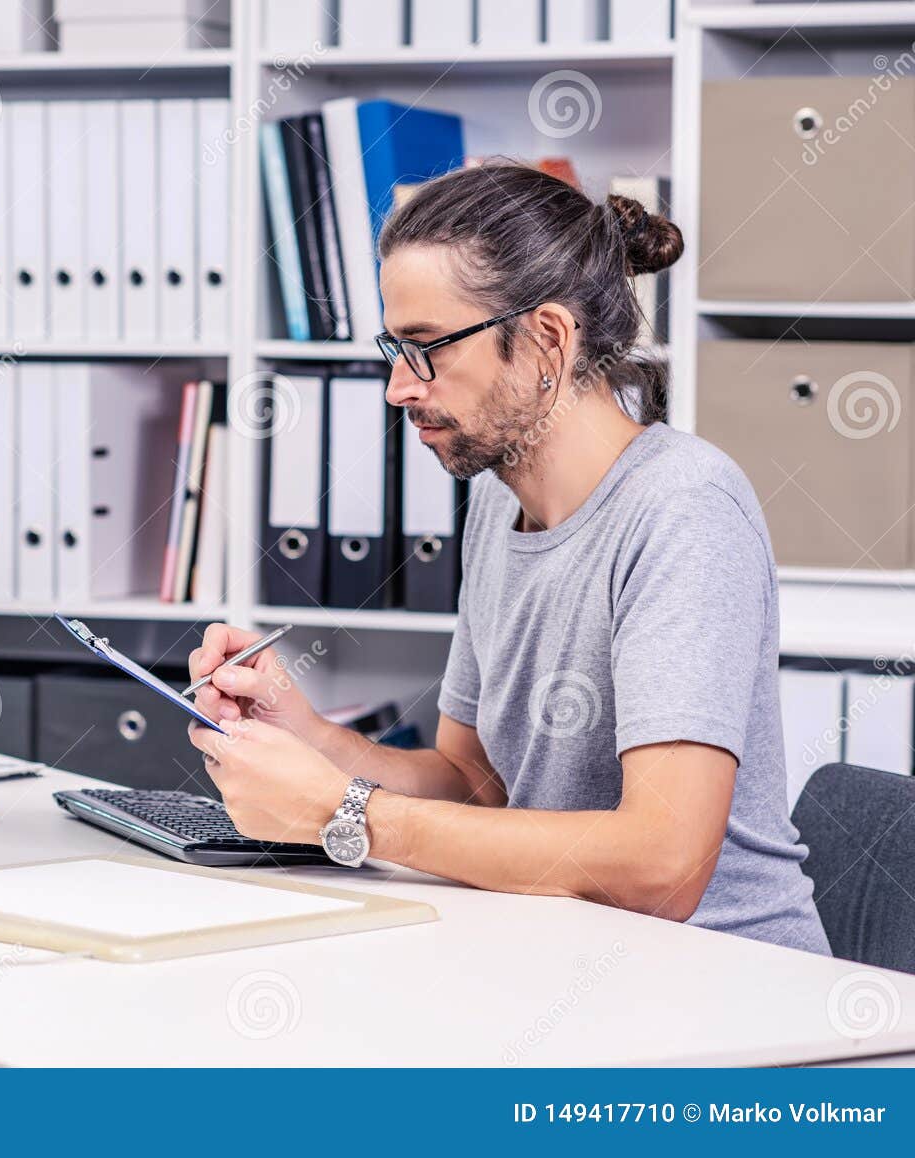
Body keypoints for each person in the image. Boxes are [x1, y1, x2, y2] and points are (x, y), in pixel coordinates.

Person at [189, 162, 828, 954]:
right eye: (395, 346)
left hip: (729, 987)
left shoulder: (683, 508)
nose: (397, 388)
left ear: (547, 339)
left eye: (427, 348)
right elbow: (477, 787)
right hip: (564, 955)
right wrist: (310, 737)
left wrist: (342, 813)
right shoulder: (498, 499)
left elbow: (664, 867)